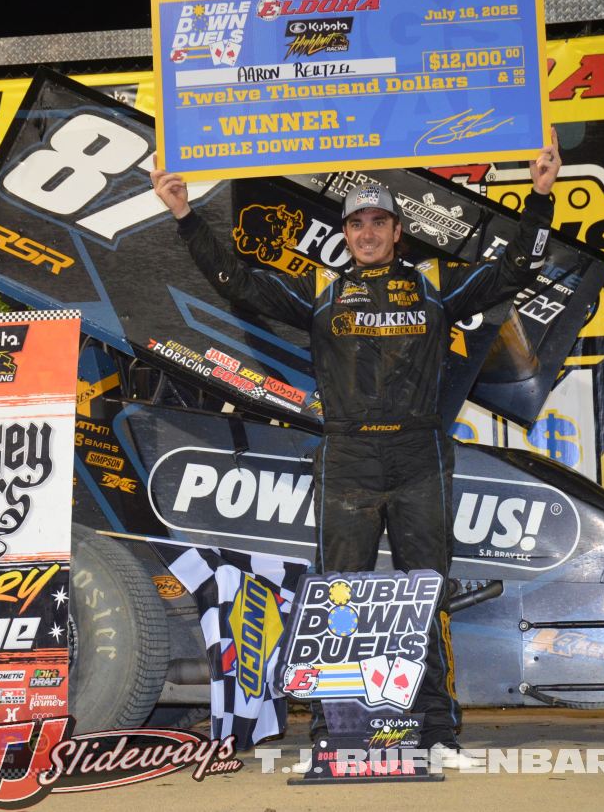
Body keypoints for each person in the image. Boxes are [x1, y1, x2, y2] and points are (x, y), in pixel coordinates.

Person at [151, 130, 561, 762]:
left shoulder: (434, 285)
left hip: (419, 457)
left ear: (397, 231)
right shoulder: (321, 290)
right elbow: (237, 283)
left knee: (427, 593)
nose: (367, 233)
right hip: (346, 460)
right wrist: (184, 215)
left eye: (379, 222)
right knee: (336, 595)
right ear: (345, 234)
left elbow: (517, 269)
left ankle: (437, 730)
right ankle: (334, 728)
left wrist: (540, 197)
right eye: (357, 224)